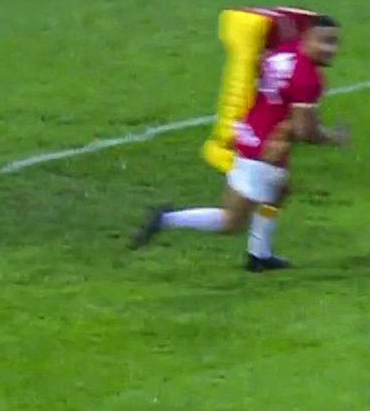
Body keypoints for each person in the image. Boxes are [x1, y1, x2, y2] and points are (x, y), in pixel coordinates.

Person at [133, 15, 350, 270]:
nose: (330, 49)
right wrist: (333, 137)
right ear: (307, 39)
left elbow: (261, 62)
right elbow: (306, 131)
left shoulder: (286, 51)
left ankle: (259, 254)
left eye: (334, 42)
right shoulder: (308, 79)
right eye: (324, 41)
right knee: (230, 221)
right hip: (262, 152)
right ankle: (166, 219)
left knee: (280, 191)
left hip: (252, 133)